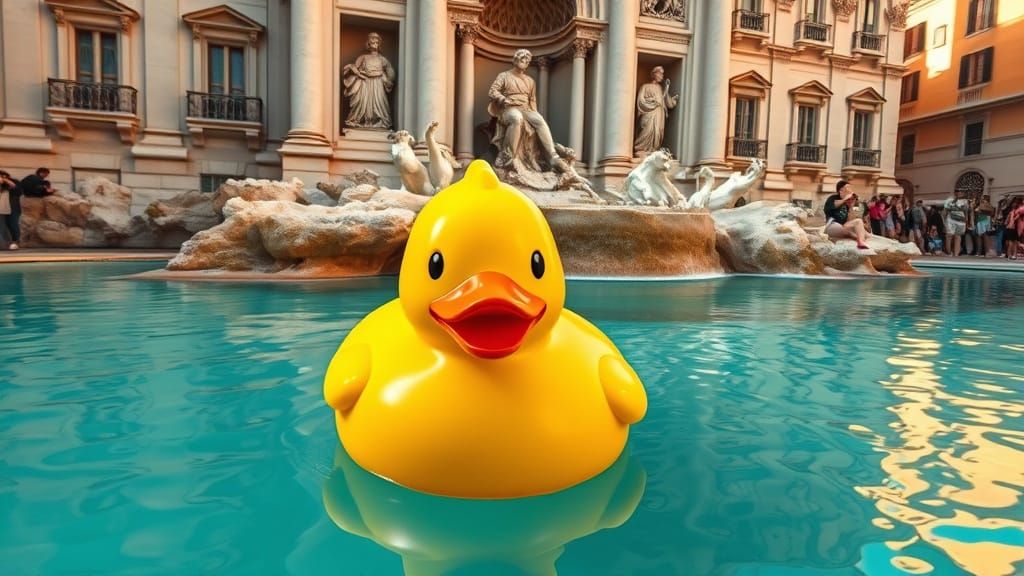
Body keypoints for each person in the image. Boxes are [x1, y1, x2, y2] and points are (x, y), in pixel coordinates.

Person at [488, 49, 567, 174]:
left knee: (539, 120)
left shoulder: (530, 81)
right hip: (509, 108)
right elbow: (493, 91)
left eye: (527, 60)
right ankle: (507, 155)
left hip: (526, 108)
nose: (525, 62)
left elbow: (532, 100)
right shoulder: (504, 76)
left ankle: (553, 157)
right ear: (515, 60)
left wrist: (534, 114)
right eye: (522, 59)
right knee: (516, 118)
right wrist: (503, 99)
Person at [342, 32, 396, 129]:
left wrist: (389, 80)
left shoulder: (382, 59)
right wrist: (353, 69)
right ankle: (358, 121)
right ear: (368, 44)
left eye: (376, 43)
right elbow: (355, 67)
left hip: (378, 82)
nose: (374, 45)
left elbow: (389, 70)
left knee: (380, 103)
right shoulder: (363, 57)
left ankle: (380, 122)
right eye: (372, 42)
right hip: (365, 82)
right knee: (361, 102)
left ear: (379, 45)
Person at [633, 66, 679, 154]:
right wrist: (653, 102)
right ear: (654, 74)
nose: (662, 76)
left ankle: (653, 149)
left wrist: (671, 98)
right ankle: (642, 148)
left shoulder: (660, 88)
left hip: (659, 113)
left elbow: (665, 100)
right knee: (646, 130)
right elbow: (641, 101)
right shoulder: (645, 86)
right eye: (660, 73)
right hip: (649, 112)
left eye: (662, 74)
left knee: (657, 131)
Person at [824, 180, 870, 249]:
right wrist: (844, 199)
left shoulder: (853, 200)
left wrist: (852, 204)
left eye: (850, 187)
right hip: (832, 226)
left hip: (845, 226)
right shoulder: (832, 198)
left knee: (866, 233)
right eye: (847, 187)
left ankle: (860, 242)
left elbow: (856, 217)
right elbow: (828, 209)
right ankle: (856, 238)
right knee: (850, 231)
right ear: (840, 190)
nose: (850, 190)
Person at [944, 191, 969, 257]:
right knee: (949, 236)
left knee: (958, 236)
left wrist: (966, 220)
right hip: (951, 219)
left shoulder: (965, 201)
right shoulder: (949, 200)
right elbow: (945, 211)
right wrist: (944, 221)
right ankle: (949, 252)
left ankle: (956, 254)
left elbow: (966, 211)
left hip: (960, 220)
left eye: (961, 192)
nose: (960, 193)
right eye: (958, 191)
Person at [0, 170, 20, 250]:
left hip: (4, 210)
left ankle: (9, 244)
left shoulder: (7, 188)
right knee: (1, 228)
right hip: (2, 210)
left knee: (7, 227)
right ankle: (4, 245)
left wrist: (4, 180)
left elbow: (14, 186)